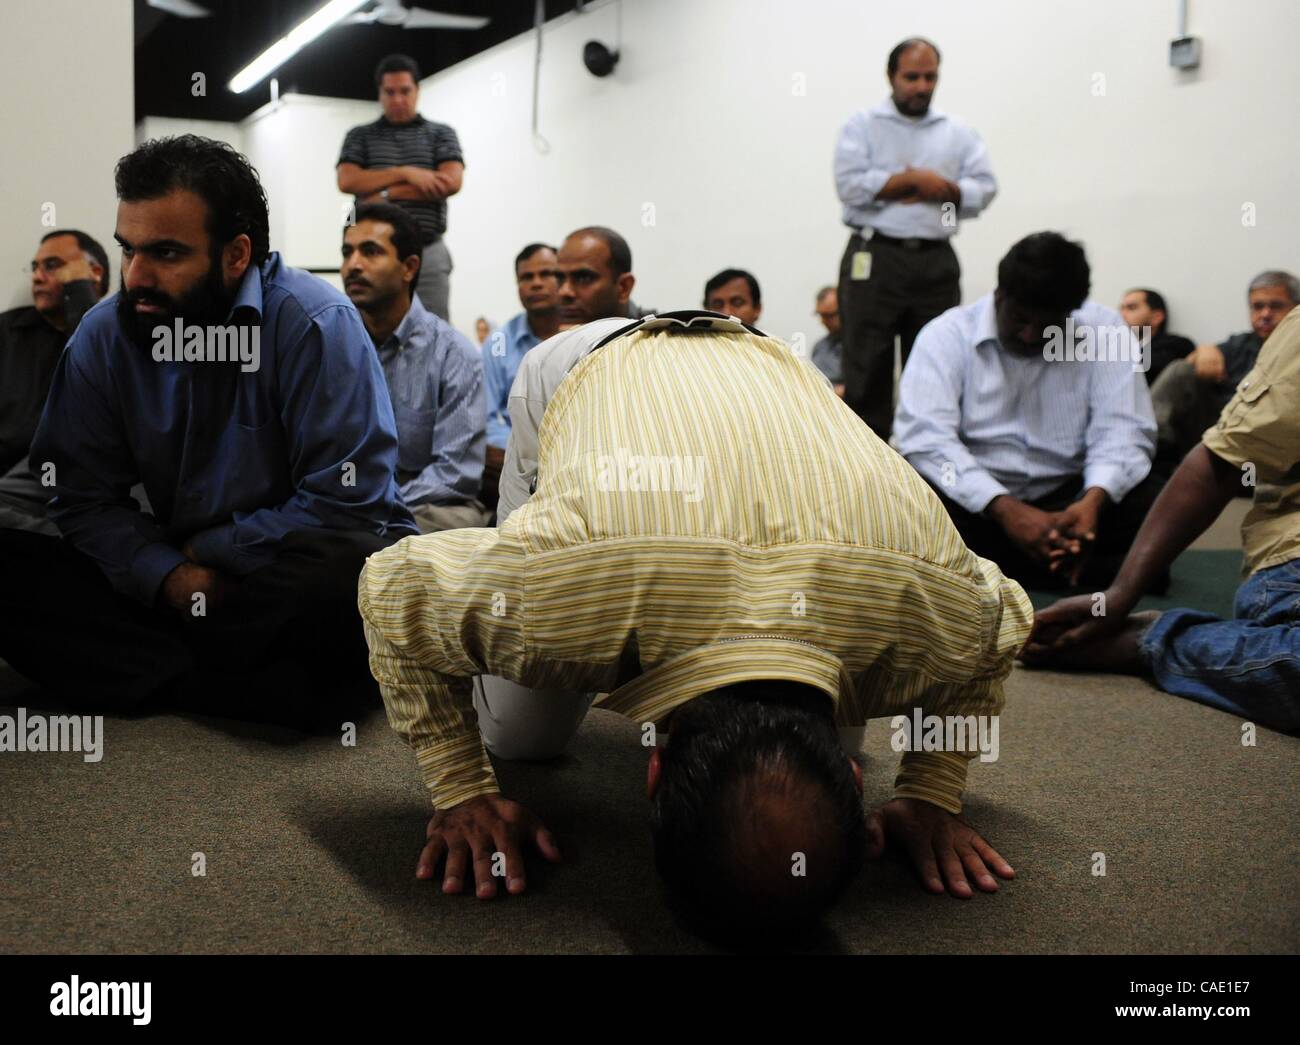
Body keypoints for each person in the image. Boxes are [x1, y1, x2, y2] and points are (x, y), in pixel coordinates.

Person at [359, 310, 1032, 943]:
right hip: (591, 366)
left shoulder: (932, 614)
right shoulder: (555, 597)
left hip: (770, 366)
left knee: (789, 787)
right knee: (522, 736)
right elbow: (392, 584)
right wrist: (462, 787)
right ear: (650, 770)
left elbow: (1004, 615)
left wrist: (931, 789)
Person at [0, 135, 416, 726]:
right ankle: (238, 686)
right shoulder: (105, 333)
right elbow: (79, 495)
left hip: (277, 572)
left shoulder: (316, 324)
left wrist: (206, 552)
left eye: (166, 254)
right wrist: (167, 574)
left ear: (236, 254)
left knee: (346, 574)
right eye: (129, 250)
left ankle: (167, 674)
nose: (136, 277)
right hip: (175, 577)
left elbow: (350, 505)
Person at [1023, 304, 1300, 734]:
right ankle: (1155, 639)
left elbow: (1123, 437)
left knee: (1130, 497)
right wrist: (1118, 596)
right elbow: (1221, 459)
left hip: (1090, 492)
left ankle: (1173, 639)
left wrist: (1094, 497)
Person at [895, 232, 1161, 591]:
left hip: (1072, 496)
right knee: (909, 501)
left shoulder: (1105, 331)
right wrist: (1005, 509)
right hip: (978, 505)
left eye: (1048, 326)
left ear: (1073, 312)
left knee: (1153, 497)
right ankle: (1066, 565)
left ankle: (996, 569)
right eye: (1020, 319)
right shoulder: (945, 336)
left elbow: (1123, 430)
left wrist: (1093, 500)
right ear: (999, 295)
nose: (1030, 336)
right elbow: (927, 440)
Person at [833, 37, 997, 440]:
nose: (921, 86)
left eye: (930, 77)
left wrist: (940, 189)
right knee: (867, 366)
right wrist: (915, 181)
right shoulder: (863, 125)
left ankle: (931, 466)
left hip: (935, 259)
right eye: (911, 77)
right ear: (891, 76)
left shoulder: (956, 132)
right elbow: (850, 188)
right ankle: (867, 471)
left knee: (937, 364)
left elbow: (984, 189)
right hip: (875, 256)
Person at [342, 203, 489, 533]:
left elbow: (454, 475)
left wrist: (380, 506)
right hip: (346, 502)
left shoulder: (454, 355)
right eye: (347, 252)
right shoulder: (332, 346)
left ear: (409, 267)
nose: (353, 265)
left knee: (446, 531)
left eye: (370, 252)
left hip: (427, 505)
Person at [497, 226, 637, 521]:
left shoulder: (653, 351)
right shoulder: (541, 362)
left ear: (623, 287)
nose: (564, 292)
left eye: (583, 278)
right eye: (560, 278)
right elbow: (517, 495)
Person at [337, 54, 465, 321]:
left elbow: (450, 182)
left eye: (405, 91)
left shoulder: (441, 134)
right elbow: (348, 181)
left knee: (434, 330)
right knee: (366, 325)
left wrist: (385, 193)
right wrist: (407, 173)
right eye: (389, 92)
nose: (397, 99)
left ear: (417, 90)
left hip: (428, 250)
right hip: (370, 250)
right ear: (380, 94)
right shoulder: (359, 135)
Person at [0, 230, 110, 532]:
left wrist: (79, 288)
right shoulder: (8, 331)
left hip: (77, 471)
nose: (37, 276)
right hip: (14, 481)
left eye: (51, 265)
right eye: (34, 267)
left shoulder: (115, 329)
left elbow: (101, 369)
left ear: (93, 272)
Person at [1149, 271, 1298, 470]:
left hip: (1273, 446)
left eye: (1276, 306)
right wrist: (1203, 351)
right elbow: (1189, 365)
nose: (1265, 314)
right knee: (1180, 371)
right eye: (1257, 307)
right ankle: (1147, 449)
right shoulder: (1240, 344)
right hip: (1221, 437)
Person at [481, 243, 562, 511]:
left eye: (546, 274)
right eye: (527, 277)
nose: (536, 284)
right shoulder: (499, 342)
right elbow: (487, 416)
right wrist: (525, 452)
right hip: (519, 465)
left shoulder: (582, 334)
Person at [1117, 287, 1193, 385]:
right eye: (1121, 309)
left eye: (1131, 308)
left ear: (1156, 317)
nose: (1121, 315)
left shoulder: (1176, 345)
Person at [811, 285, 844, 396]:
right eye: (821, 315)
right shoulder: (819, 347)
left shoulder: (858, 346)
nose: (824, 321)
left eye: (829, 316)